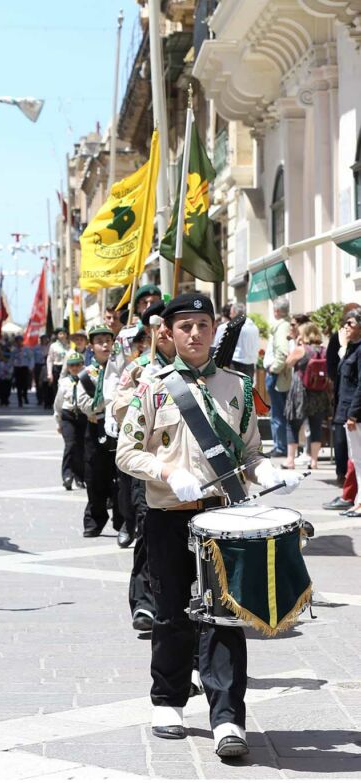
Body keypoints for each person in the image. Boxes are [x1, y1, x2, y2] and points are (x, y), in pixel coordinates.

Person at [116, 293, 302, 759]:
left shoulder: (237, 387)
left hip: (223, 517)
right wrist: (166, 472)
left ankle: (227, 718)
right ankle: (169, 701)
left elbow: (251, 453)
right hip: (168, 515)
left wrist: (268, 473)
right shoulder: (154, 387)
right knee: (173, 612)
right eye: (185, 326)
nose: (194, 334)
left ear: (214, 328)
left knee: (225, 617)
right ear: (170, 334)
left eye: (202, 324)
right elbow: (127, 451)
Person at [110, 302, 174, 631]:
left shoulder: (193, 367)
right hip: (147, 467)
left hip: (185, 471)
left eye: (169, 326)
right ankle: (144, 603)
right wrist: (139, 392)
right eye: (158, 327)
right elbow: (117, 408)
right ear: (150, 332)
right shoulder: (138, 367)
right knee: (147, 532)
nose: (163, 332)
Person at [78, 324, 124, 538]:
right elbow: (84, 403)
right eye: (99, 341)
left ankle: (122, 521)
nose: (105, 345)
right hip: (96, 428)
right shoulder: (88, 374)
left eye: (108, 340)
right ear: (91, 347)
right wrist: (106, 404)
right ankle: (94, 519)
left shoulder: (122, 369)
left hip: (120, 430)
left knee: (121, 478)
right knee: (94, 477)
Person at [283, 322, 330, 472]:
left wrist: (296, 344)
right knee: (316, 426)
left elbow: (289, 363)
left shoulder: (301, 349)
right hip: (319, 392)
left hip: (300, 391)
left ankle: (290, 460)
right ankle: (314, 461)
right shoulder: (324, 350)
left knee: (293, 425)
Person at [333, 309, 361, 517]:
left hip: (355, 414)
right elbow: (342, 376)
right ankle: (358, 502)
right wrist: (343, 347)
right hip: (347, 411)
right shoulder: (351, 348)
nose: (346, 328)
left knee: (359, 460)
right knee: (357, 460)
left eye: (350, 324)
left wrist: (353, 414)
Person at [53, 352, 87, 490]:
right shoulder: (64, 382)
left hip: (84, 415)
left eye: (78, 365)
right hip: (68, 415)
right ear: (68, 367)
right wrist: (58, 421)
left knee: (81, 448)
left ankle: (80, 477)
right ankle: (67, 475)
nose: (75, 368)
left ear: (82, 365)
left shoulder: (87, 379)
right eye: (72, 365)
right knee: (70, 445)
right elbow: (58, 403)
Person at [264, 297, 293, 457]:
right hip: (281, 375)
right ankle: (282, 446)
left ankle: (280, 447)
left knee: (277, 412)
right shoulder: (286, 325)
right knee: (281, 412)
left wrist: (274, 370)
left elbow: (282, 352)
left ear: (276, 311)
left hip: (277, 376)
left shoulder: (282, 327)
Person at [214, 303, 260, 378]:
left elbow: (216, 345)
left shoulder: (226, 327)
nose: (230, 316)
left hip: (234, 364)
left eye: (231, 313)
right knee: (247, 389)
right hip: (250, 365)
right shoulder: (254, 327)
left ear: (235, 313)